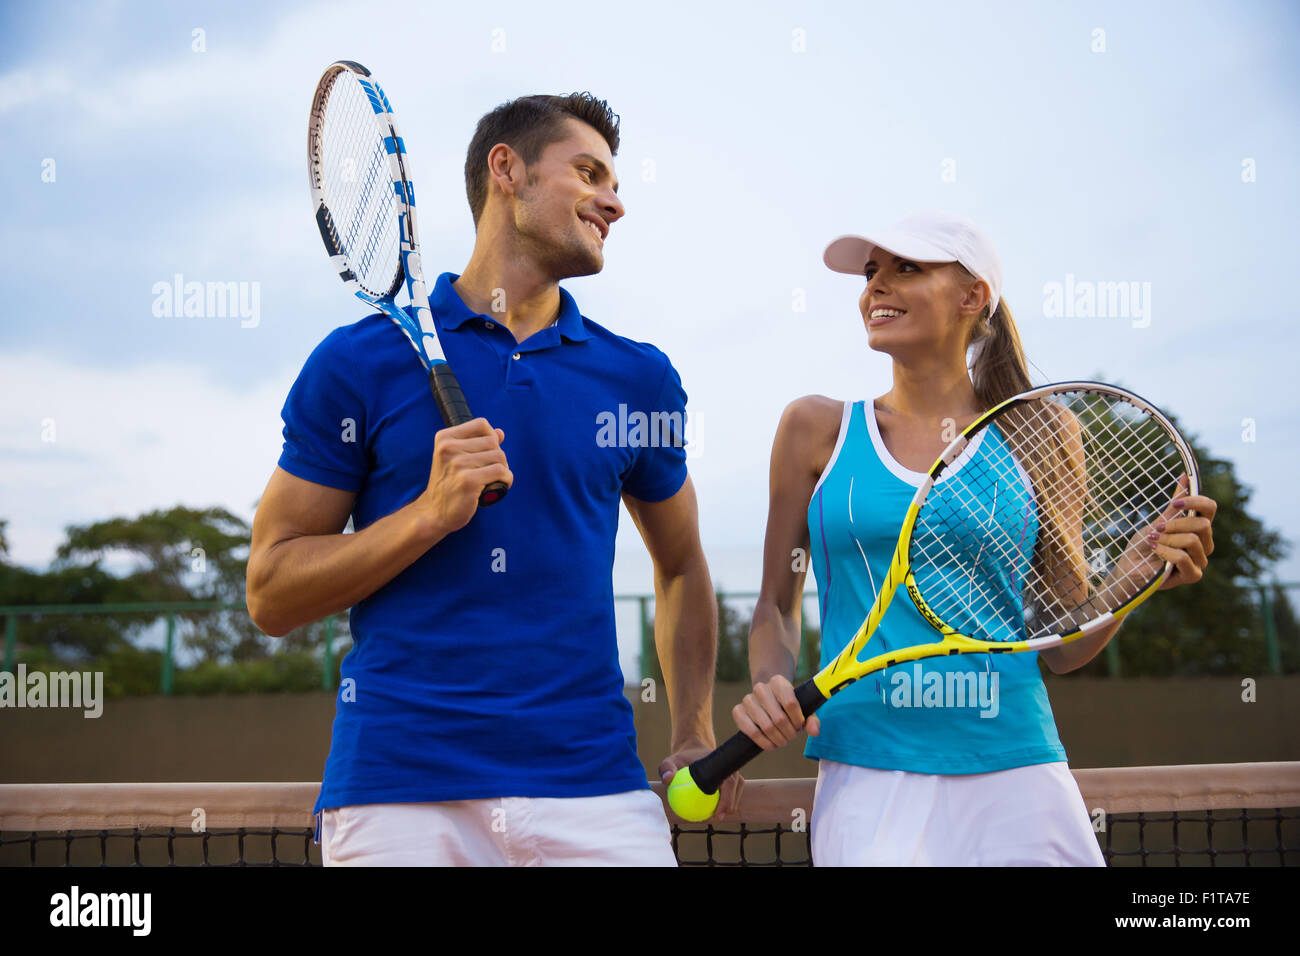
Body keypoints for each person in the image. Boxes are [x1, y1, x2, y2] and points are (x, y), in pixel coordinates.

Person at [247, 92, 729, 865]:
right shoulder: (355, 363)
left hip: (596, 789)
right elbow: (270, 592)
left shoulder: (638, 379)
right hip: (397, 791)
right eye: (589, 172)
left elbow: (680, 565)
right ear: (507, 170)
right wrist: (426, 516)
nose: (615, 201)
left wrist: (694, 730)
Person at [732, 210, 1218, 865]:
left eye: (906, 268)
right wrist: (769, 680)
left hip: (1015, 759)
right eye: (872, 272)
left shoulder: (1043, 432)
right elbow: (775, 605)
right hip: (867, 764)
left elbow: (1063, 646)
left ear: (973, 296)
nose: (875, 286)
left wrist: (1135, 573)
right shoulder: (813, 428)